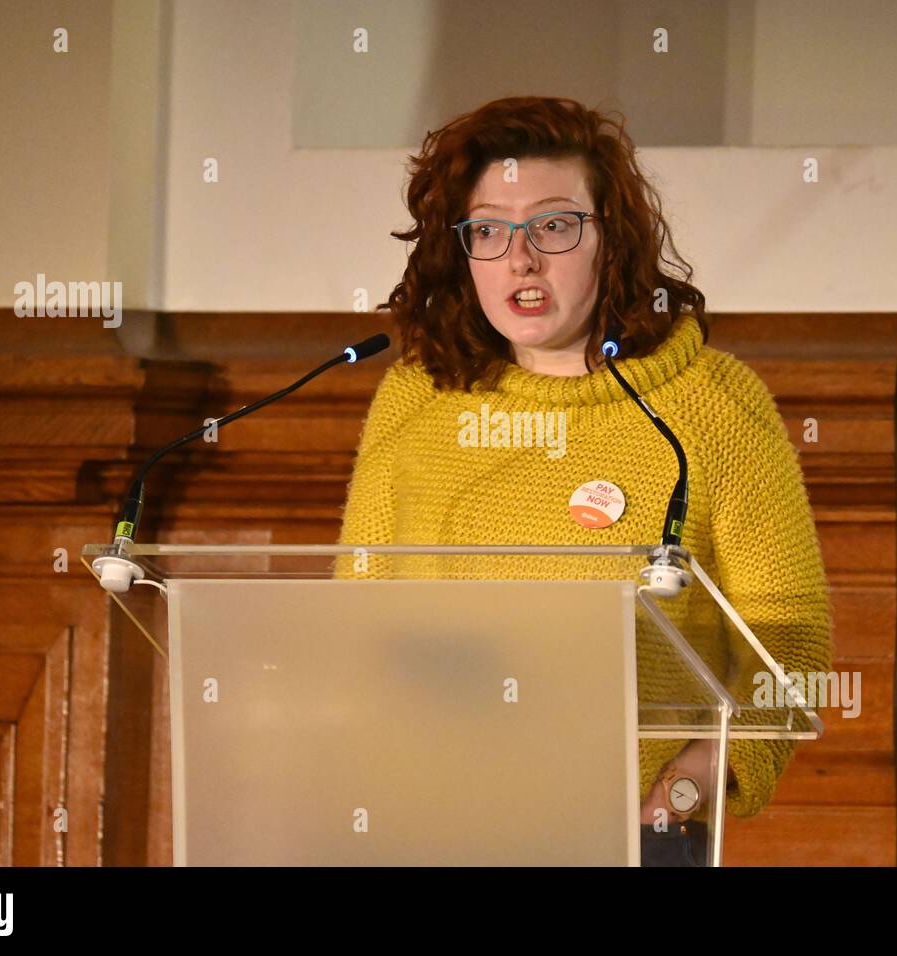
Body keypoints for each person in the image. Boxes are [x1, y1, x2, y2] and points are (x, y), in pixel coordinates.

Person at [335, 96, 833, 866]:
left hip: (633, 831)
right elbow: (355, 619)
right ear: (459, 250)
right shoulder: (416, 398)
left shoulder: (709, 407)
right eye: (490, 229)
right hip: (429, 823)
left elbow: (790, 639)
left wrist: (691, 785)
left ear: (613, 238)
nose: (521, 260)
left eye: (554, 225)